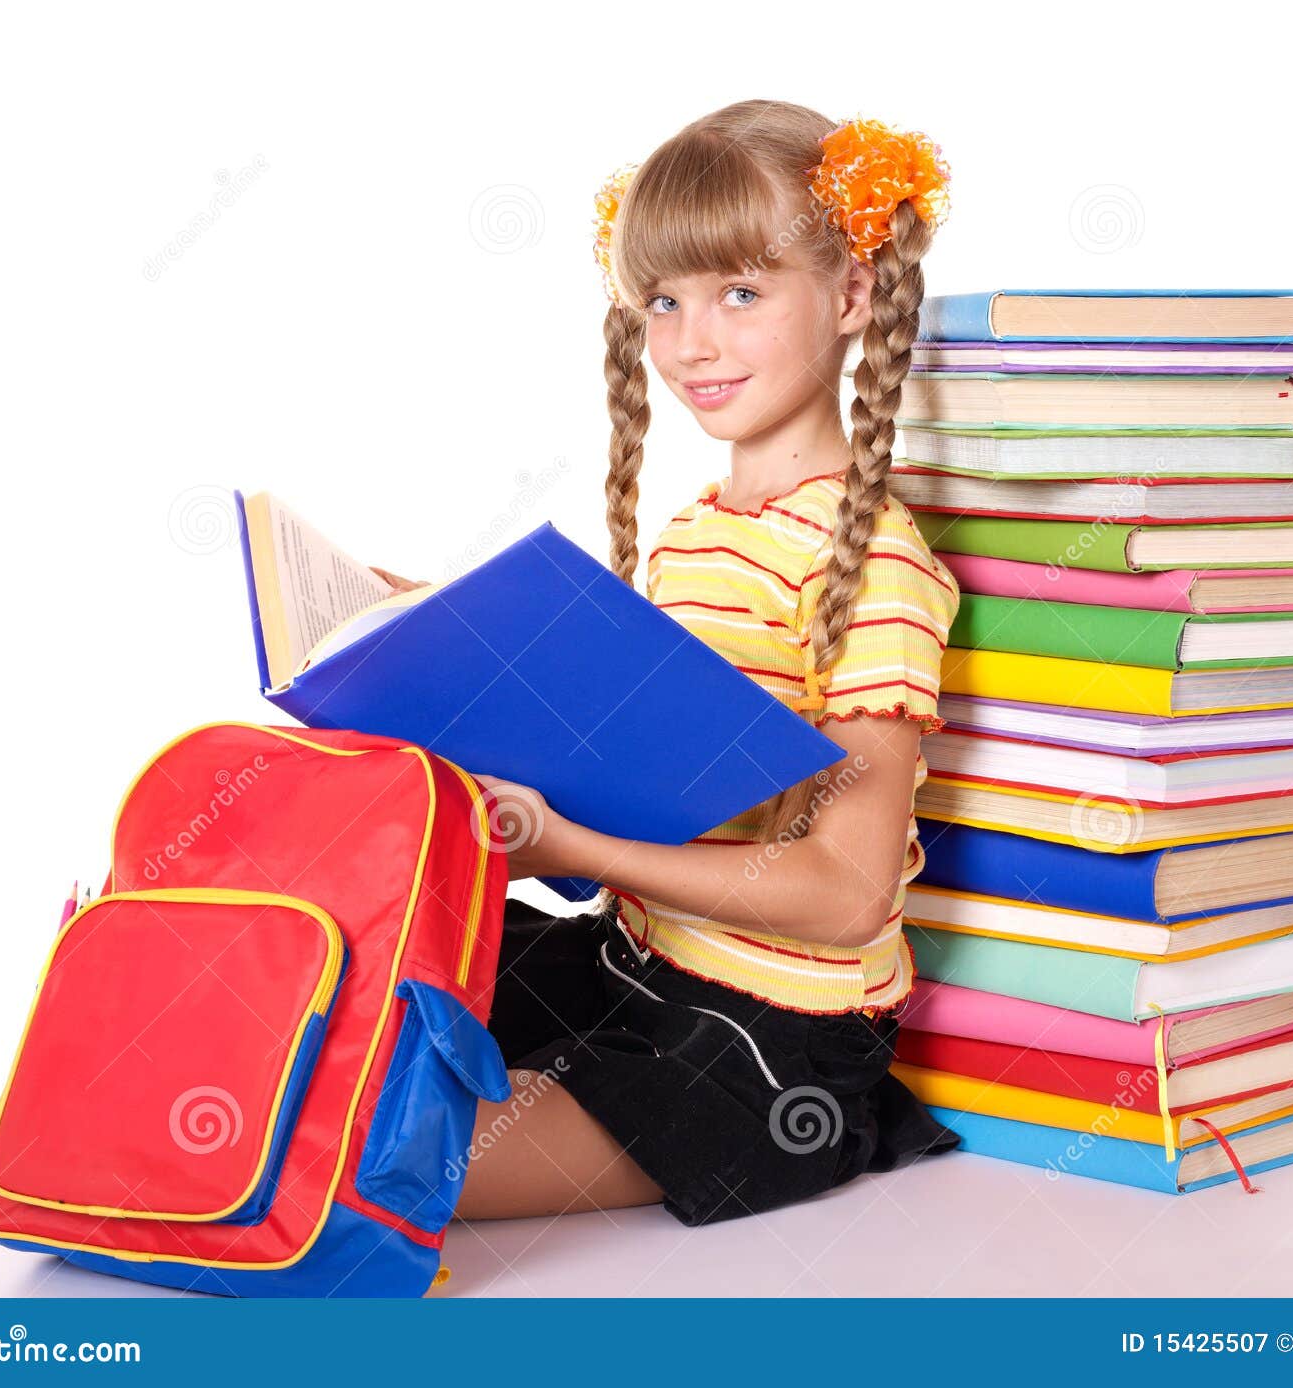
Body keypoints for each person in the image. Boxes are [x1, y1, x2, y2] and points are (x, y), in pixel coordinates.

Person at [394, 100, 962, 1228]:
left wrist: (573, 845)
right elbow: (653, 770)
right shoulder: (698, 533)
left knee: (389, 1161)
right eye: (664, 299)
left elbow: (848, 895)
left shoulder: (876, 568)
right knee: (365, 966)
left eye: (740, 293)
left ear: (850, 294)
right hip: (633, 961)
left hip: (765, 1041)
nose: (689, 342)